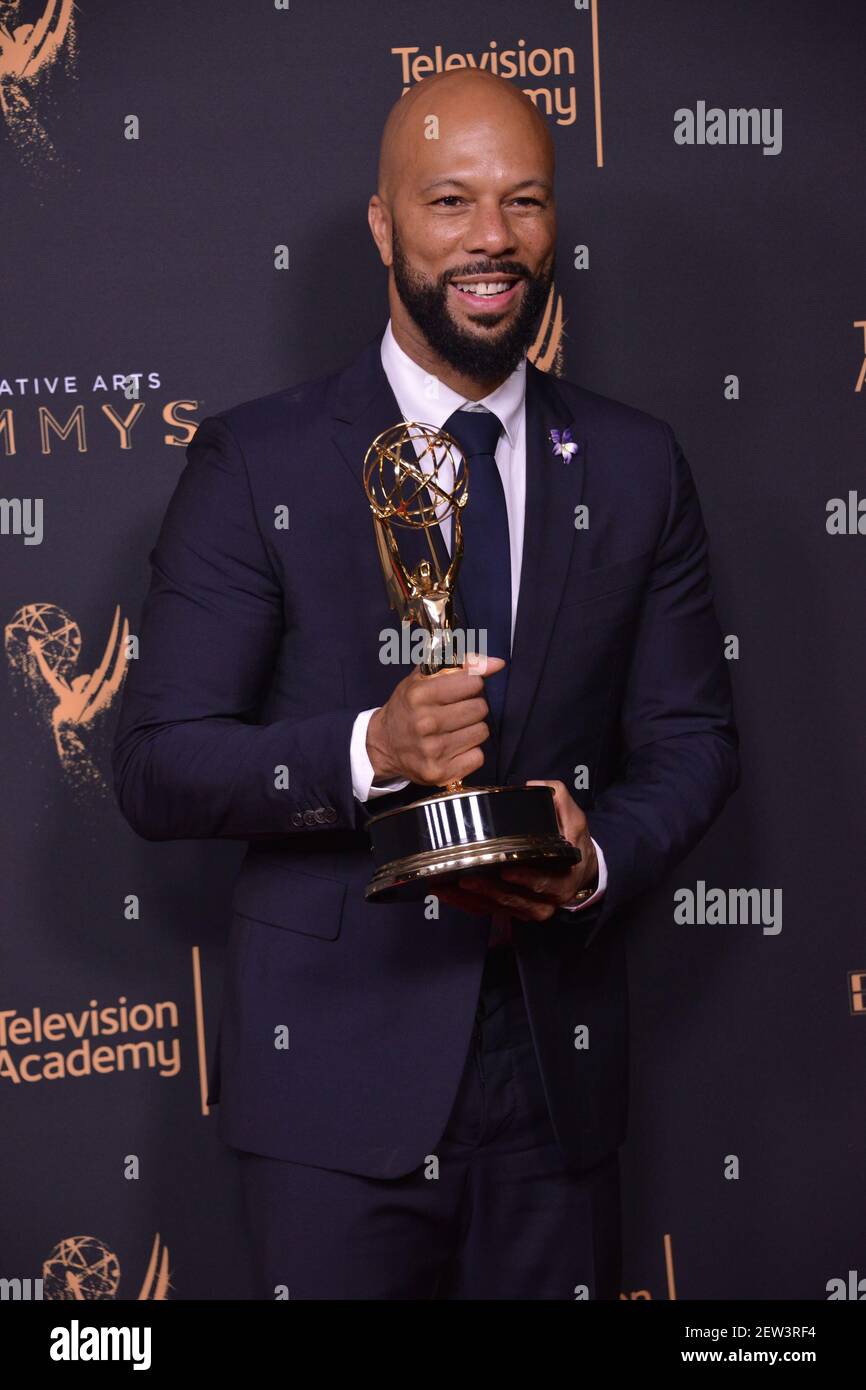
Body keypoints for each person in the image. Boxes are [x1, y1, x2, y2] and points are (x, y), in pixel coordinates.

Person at [113, 67, 739, 1300]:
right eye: (449, 202)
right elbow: (156, 760)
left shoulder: (633, 462)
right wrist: (368, 752)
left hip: (555, 1094)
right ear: (384, 225)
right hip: (331, 1099)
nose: (491, 240)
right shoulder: (259, 460)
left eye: (524, 202)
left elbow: (692, 739)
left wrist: (590, 853)